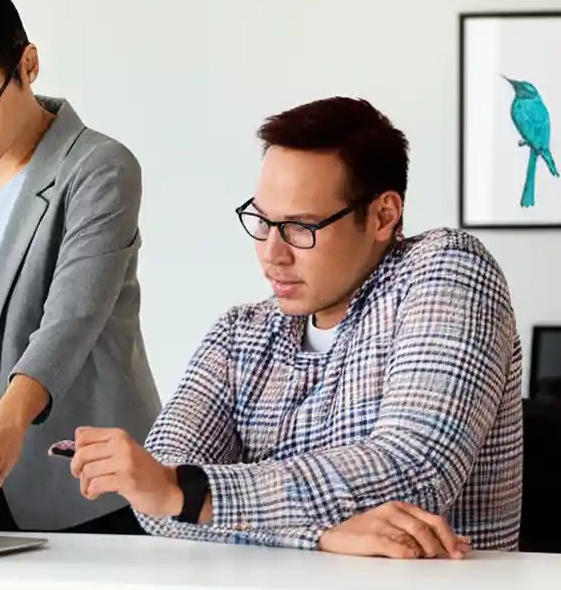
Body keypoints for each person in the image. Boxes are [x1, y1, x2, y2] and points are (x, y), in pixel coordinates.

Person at [68, 97, 523, 559]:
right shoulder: (240, 335)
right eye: (262, 221)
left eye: (302, 227)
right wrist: (319, 538)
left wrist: (191, 494)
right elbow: (155, 501)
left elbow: (414, 467)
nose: (272, 253)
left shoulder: (448, 270)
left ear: (384, 215)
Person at [0, 0, 162, 534]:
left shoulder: (98, 168)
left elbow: (69, 322)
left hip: (84, 487)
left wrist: (6, 426)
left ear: (28, 64)